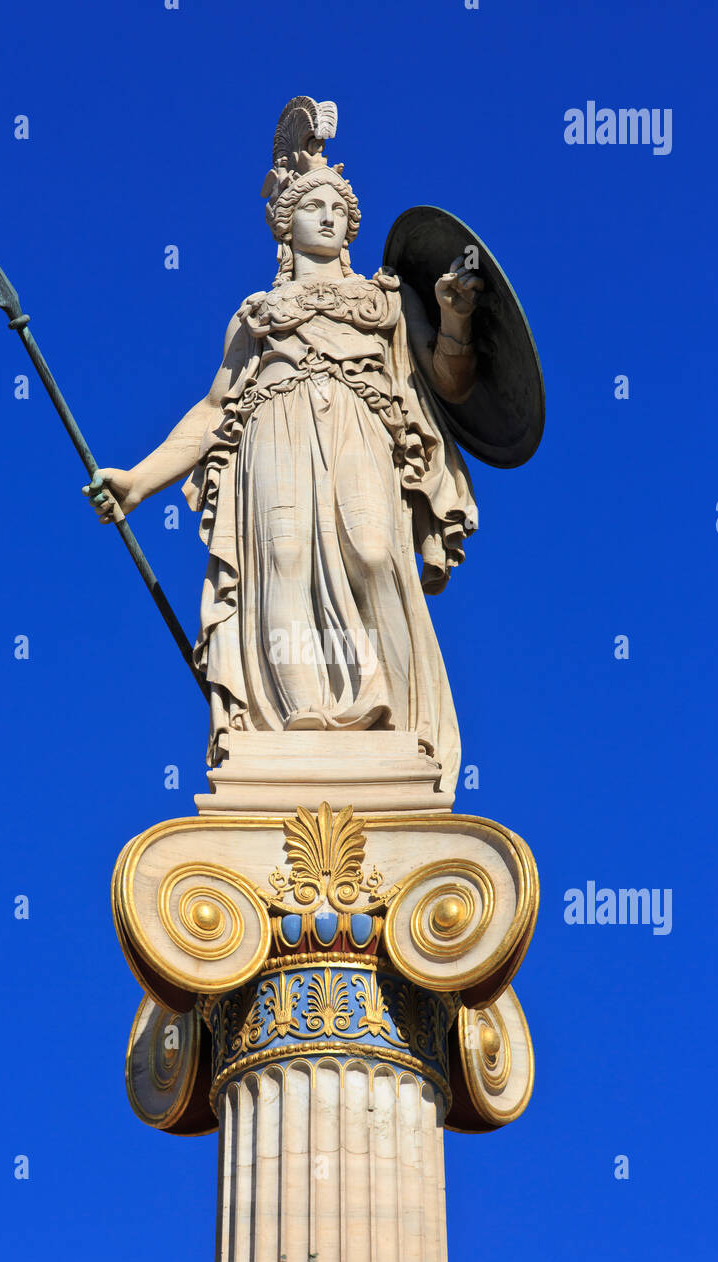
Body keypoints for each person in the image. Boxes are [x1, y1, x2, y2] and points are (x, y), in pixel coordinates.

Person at [85, 114, 482, 799]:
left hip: (359, 424)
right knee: (283, 556)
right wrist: (139, 482)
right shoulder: (257, 315)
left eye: (339, 209)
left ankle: (393, 713)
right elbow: (214, 410)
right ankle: (299, 712)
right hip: (272, 428)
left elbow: (450, 382)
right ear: (284, 222)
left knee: (372, 549)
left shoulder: (383, 299)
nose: (328, 218)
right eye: (313, 207)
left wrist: (454, 317)